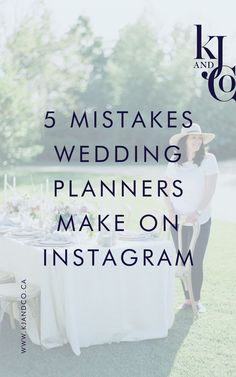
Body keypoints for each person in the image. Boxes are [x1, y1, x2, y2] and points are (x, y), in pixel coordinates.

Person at [165, 123, 218, 313]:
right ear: (184, 141)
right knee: (182, 259)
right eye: (193, 137)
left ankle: (197, 299)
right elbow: (166, 188)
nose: (197, 141)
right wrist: (171, 210)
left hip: (199, 219)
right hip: (178, 220)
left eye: (199, 138)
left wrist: (197, 213)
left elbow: (210, 190)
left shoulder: (208, 159)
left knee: (195, 259)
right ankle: (188, 300)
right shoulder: (174, 160)